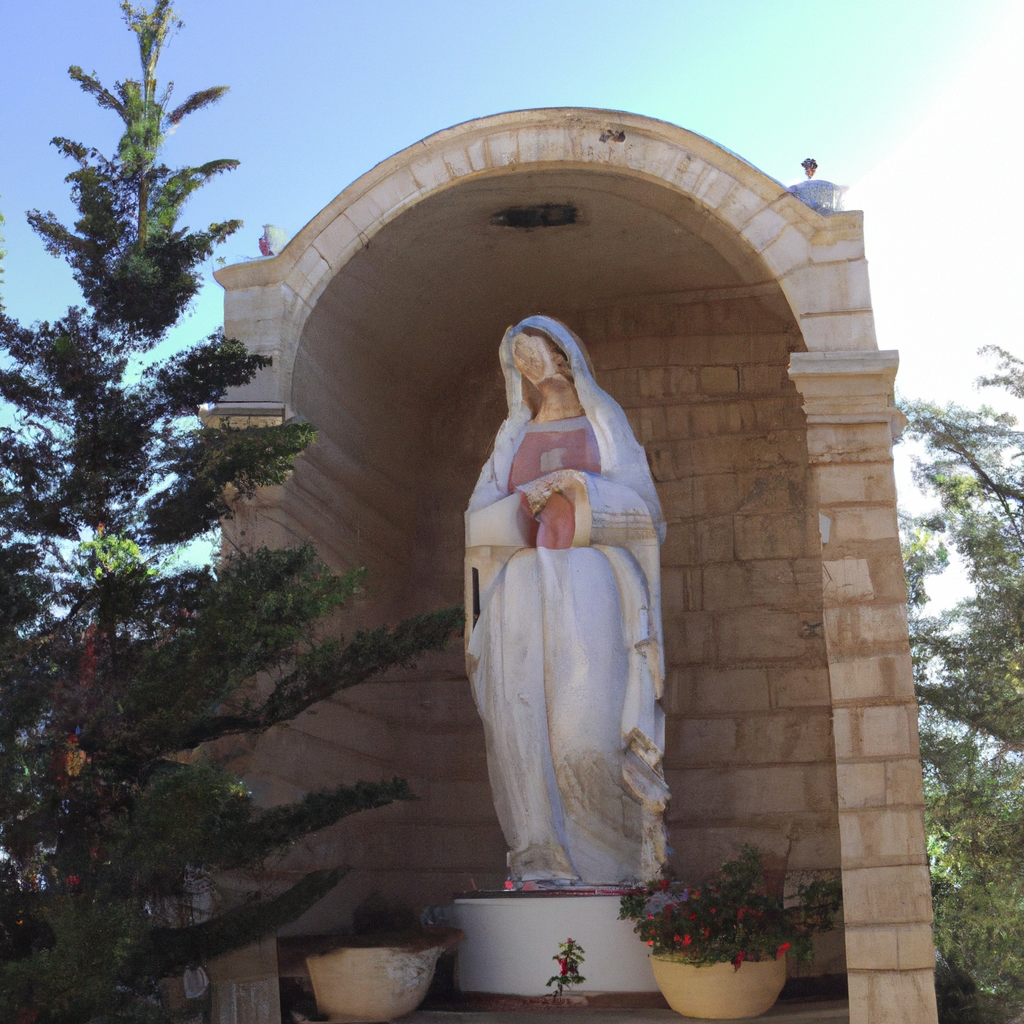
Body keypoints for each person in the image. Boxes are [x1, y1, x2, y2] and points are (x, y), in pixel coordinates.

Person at [465, 315, 668, 885]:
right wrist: (521, 508)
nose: (534, 365)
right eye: (521, 358)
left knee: (588, 732)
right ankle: (540, 854)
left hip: (590, 581)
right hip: (518, 594)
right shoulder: (512, 436)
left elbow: (646, 514)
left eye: (540, 351)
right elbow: (478, 521)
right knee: (521, 726)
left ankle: (617, 866)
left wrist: (578, 494)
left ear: (565, 355)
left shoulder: (605, 424)